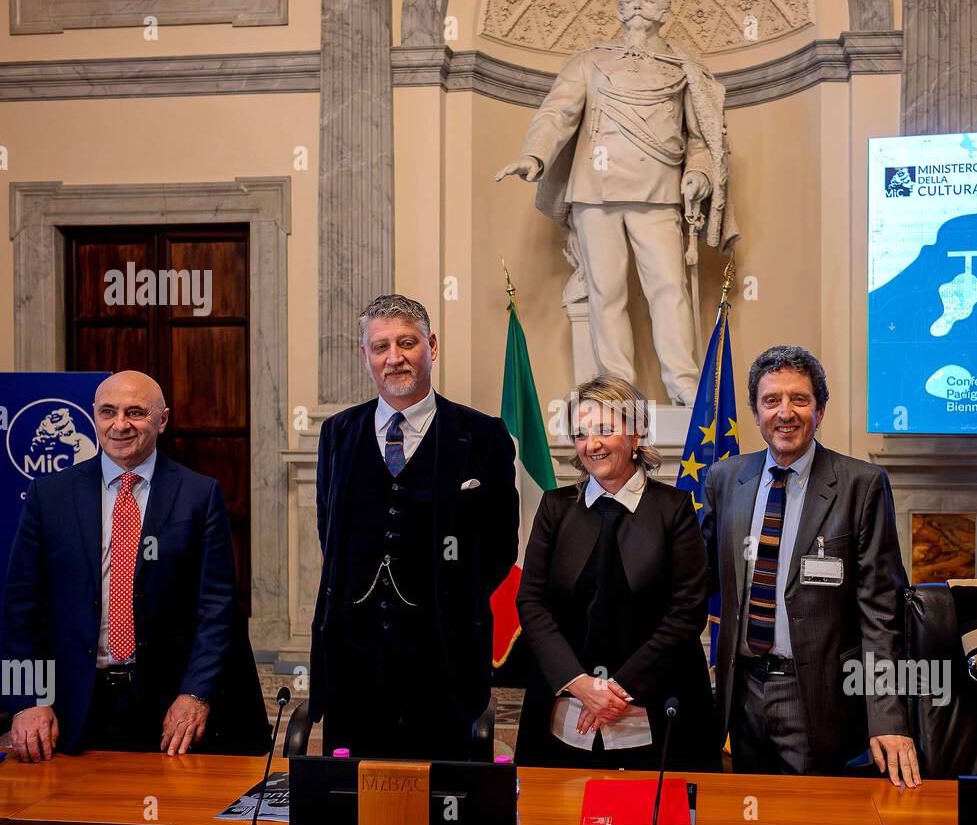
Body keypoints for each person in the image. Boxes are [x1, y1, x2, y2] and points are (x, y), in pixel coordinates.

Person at [0, 370, 269, 760]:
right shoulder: (49, 495)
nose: (120, 424)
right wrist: (26, 700)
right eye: (108, 411)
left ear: (162, 421)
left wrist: (195, 694)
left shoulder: (199, 494)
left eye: (136, 412)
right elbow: (20, 609)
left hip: (168, 707)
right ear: (93, 416)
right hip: (72, 705)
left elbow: (217, 610)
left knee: (172, 816)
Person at [494, 0, 739, 406]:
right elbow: (557, 114)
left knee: (669, 289)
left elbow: (700, 139)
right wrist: (533, 155)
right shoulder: (589, 62)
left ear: (666, 8)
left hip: (660, 191)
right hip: (596, 190)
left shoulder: (685, 70)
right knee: (606, 293)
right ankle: (617, 388)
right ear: (620, 8)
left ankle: (683, 382)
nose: (638, 4)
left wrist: (698, 173)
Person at [309, 294, 519, 760]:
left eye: (407, 342)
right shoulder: (337, 433)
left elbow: (501, 545)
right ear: (364, 355)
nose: (394, 357)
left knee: (445, 807)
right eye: (380, 346)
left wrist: (450, 596)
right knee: (354, 810)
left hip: (445, 659)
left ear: (432, 345)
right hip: (354, 662)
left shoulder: (483, 435)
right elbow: (332, 534)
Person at [700, 346, 921, 785]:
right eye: (771, 401)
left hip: (816, 697)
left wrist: (887, 717)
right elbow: (693, 585)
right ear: (755, 411)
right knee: (751, 823)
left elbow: (881, 613)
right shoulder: (725, 480)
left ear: (820, 410)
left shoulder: (861, 485)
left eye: (799, 400)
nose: (785, 413)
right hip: (741, 691)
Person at [515, 375, 718, 771]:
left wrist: (618, 690)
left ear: (637, 433)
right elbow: (532, 602)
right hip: (564, 709)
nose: (592, 444)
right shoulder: (556, 508)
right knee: (559, 823)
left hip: (655, 709)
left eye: (606, 429)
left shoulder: (674, 509)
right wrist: (579, 683)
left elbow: (687, 611)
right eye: (581, 433)